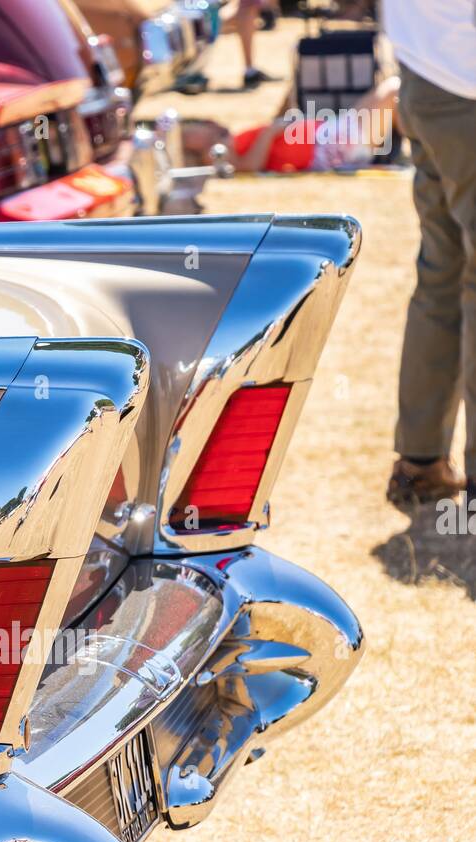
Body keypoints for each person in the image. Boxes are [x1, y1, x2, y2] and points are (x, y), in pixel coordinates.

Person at [384, 0, 476, 506]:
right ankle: (423, 465)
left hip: (426, 78)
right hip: (462, 85)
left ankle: (420, 464)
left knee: (442, 270)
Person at [180, 76, 400, 174]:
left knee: (391, 91)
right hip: (331, 146)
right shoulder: (215, 153)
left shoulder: (223, 140)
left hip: (327, 134)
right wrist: (271, 131)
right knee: (393, 89)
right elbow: (249, 166)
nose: (193, 132)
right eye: (186, 134)